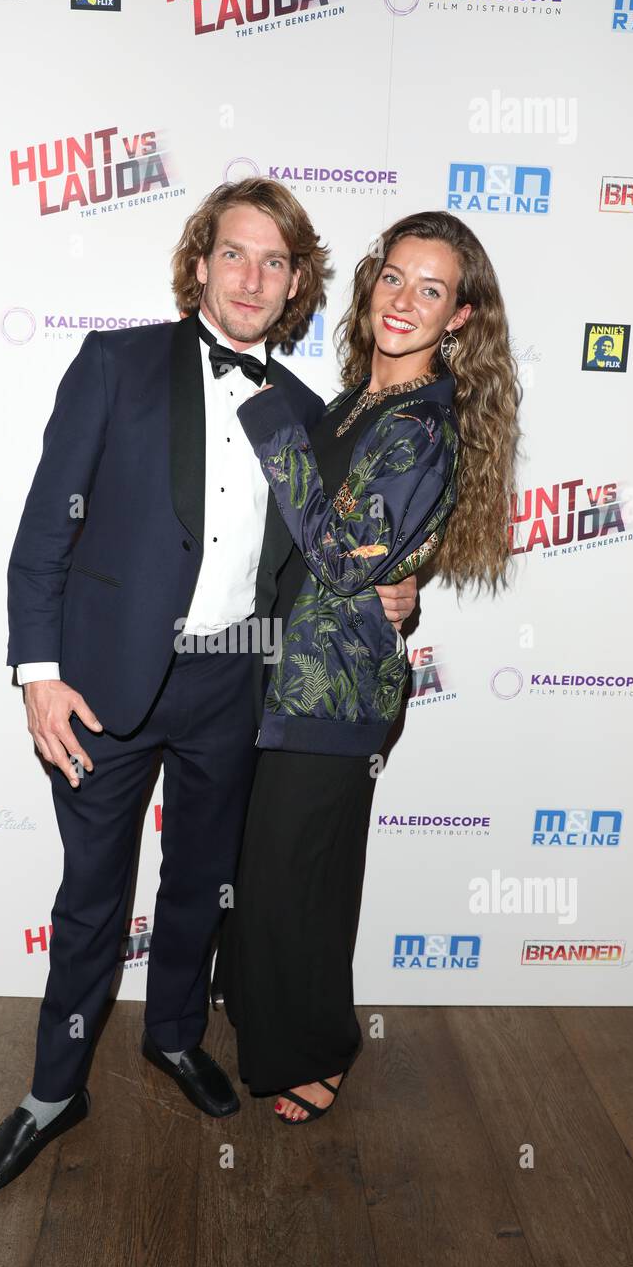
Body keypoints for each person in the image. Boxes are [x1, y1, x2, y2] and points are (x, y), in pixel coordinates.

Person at [0, 179, 417, 1195]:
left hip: (232, 684)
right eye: (233, 254)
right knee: (90, 893)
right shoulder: (115, 363)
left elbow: (329, 563)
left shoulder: (305, 413)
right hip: (101, 684)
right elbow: (44, 534)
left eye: (273, 261)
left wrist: (395, 590)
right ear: (199, 262)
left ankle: (171, 1033)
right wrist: (38, 674)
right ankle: (50, 1088)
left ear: (294, 281)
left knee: (199, 881)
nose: (251, 277)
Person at [215, 211, 519, 1123]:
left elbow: (345, 555)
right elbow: (341, 556)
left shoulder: (421, 423)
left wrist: (263, 403)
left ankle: (320, 1049)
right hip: (281, 675)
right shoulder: (354, 402)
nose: (406, 301)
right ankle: (284, 1031)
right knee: (273, 876)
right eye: (395, 277)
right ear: (371, 283)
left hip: (336, 692)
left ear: (460, 317)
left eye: (433, 289)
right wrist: (404, 583)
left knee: (301, 882)